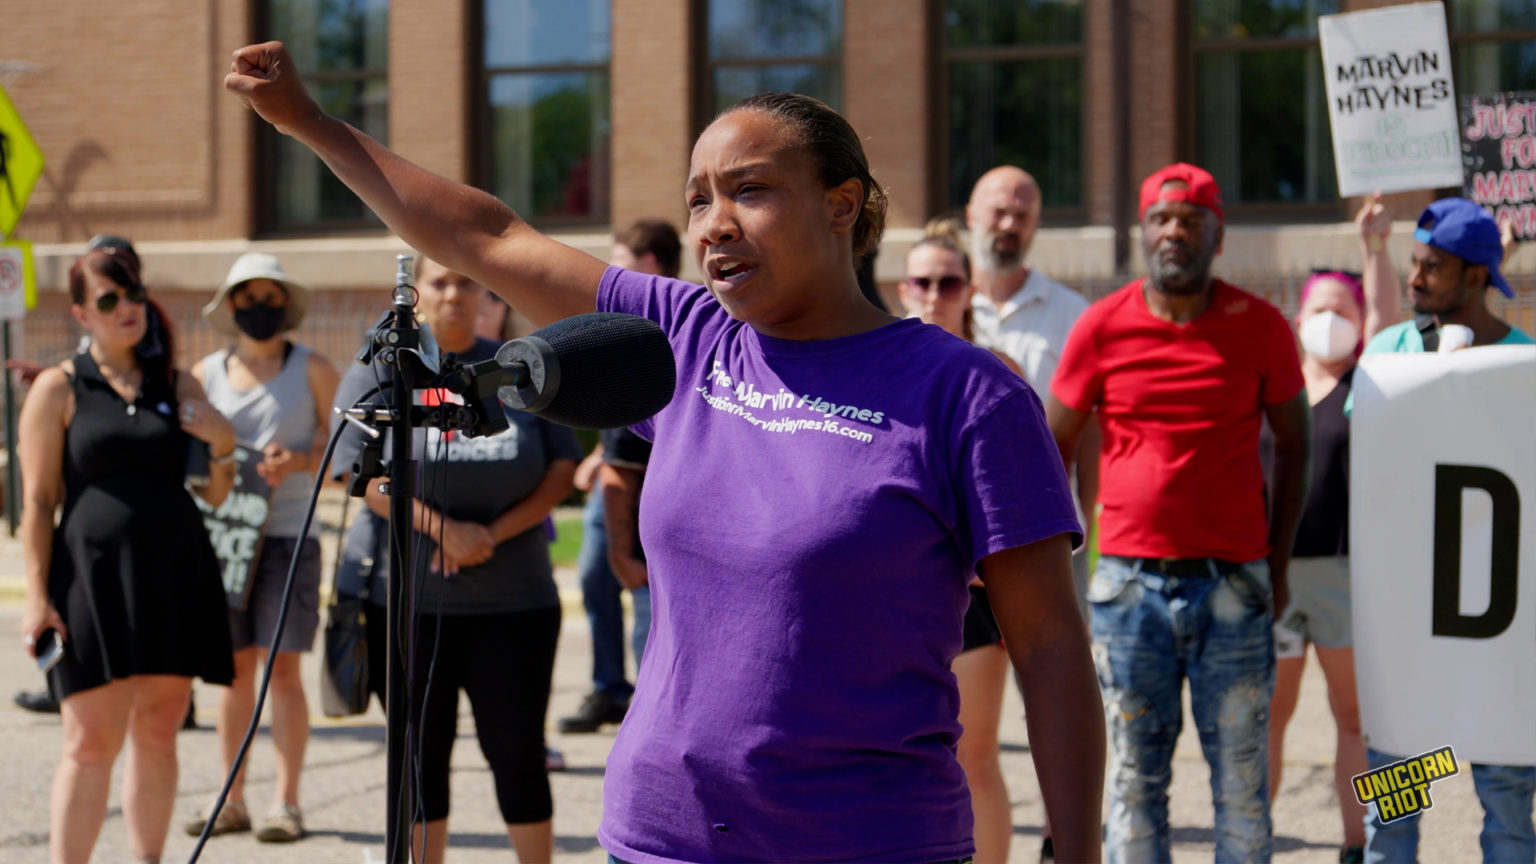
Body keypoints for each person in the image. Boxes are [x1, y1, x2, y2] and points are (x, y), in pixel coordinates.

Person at [228, 44, 1104, 863]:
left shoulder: (966, 394)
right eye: (698, 199)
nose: (714, 224)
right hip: (663, 834)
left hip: (869, 837)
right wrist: (309, 122)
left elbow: (1053, 647)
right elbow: (488, 238)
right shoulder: (684, 339)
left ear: (842, 203)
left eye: (749, 190)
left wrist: (1076, 848)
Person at [1046, 163, 1311, 863]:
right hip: (1129, 588)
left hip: (1235, 586)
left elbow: (1295, 444)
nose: (1174, 233)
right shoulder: (1101, 328)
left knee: (1243, 787)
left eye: (1190, 221)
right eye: (1162, 221)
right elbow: (1054, 443)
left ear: (1216, 236)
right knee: (1134, 784)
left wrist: (1276, 567)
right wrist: (1077, 559)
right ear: (1144, 233)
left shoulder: (1261, 327)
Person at [331, 256, 581, 862]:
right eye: (438, 281)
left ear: (483, 292)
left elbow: (562, 470)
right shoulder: (380, 370)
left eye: (465, 282)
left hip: (515, 603)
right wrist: (442, 529)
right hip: (409, 602)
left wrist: (490, 534)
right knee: (419, 759)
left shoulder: (519, 366)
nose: (453, 294)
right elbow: (356, 475)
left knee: (517, 753)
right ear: (416, 293)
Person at [18, 246, 238, 864]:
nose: (126, 309)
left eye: (133, 295)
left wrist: (224, 443)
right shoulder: (59, 386)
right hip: (88, 579)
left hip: (172, 572)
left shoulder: (177, 380)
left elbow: (217, 495)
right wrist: (37, 597)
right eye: (109, 300)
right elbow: (37, 503)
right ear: (83, 313)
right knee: (88, 741)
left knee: (160, 728)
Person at [1354, 195, 1534, 864]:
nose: (1416, 278)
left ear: (1478, 276)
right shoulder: (1388, 353)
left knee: (1510, 819)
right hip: (1407, 653)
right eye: (1414, 263)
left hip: (1500, 648)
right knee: (1391, 823)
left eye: (1434, 267)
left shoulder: (1527, 369)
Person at [181, 252, 339, 843]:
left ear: (287, 305)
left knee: (284, 672)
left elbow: (340, 449)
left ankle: (286, 802)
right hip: (225, 542)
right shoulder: (207, 372)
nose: (258, 309)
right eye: (246, 299)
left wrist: (297, 460)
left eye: (270, 298)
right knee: (232, 673)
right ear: (228, 308)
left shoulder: (315, 368)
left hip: (288, 539)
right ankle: (231, 796)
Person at [899, 219, 1019, 864]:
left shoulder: (997, 372)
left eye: (948, 282)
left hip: (972, 598)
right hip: (890, 594)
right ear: (901, 287)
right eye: (922, 281)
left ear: (969, 289)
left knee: (973, 754)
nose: (934, 294)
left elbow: (1028, 495)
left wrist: (986, 555)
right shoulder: (872, 368)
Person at [1265, 270, 1377, 864]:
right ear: (1298, 317)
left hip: (1342, 575)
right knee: (1269, 716)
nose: (1329, 320)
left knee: (1354, 715)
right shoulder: (1275, 387)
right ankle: (1253, 836)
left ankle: (1359, 844)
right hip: (1274, 577)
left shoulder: (1370, 385)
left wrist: (1375, 249)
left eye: (1343, 310)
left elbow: (1385, 312)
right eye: (1319, 308)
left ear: (1361, 323)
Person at [559, 218, 681, 735]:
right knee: (594, 577)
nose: (610, 272)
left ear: (650, 265)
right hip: (612, 477)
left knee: (644, 589)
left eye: (621, 259)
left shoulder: (667, 331)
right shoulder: (617, 325)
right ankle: (610, 688)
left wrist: (623, 545)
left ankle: (652, 713)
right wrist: (598, 457)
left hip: (645, 491)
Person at [965, 167, 1097, 628]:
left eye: (1022, 215)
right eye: (999, 212)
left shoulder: (1072, 315)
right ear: (971, 216)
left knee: (1054, 677)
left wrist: (1089, 517)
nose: (1008, 225)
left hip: (1049, 530)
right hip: (956, 535)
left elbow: (1090, 432)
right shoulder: (936, 306)